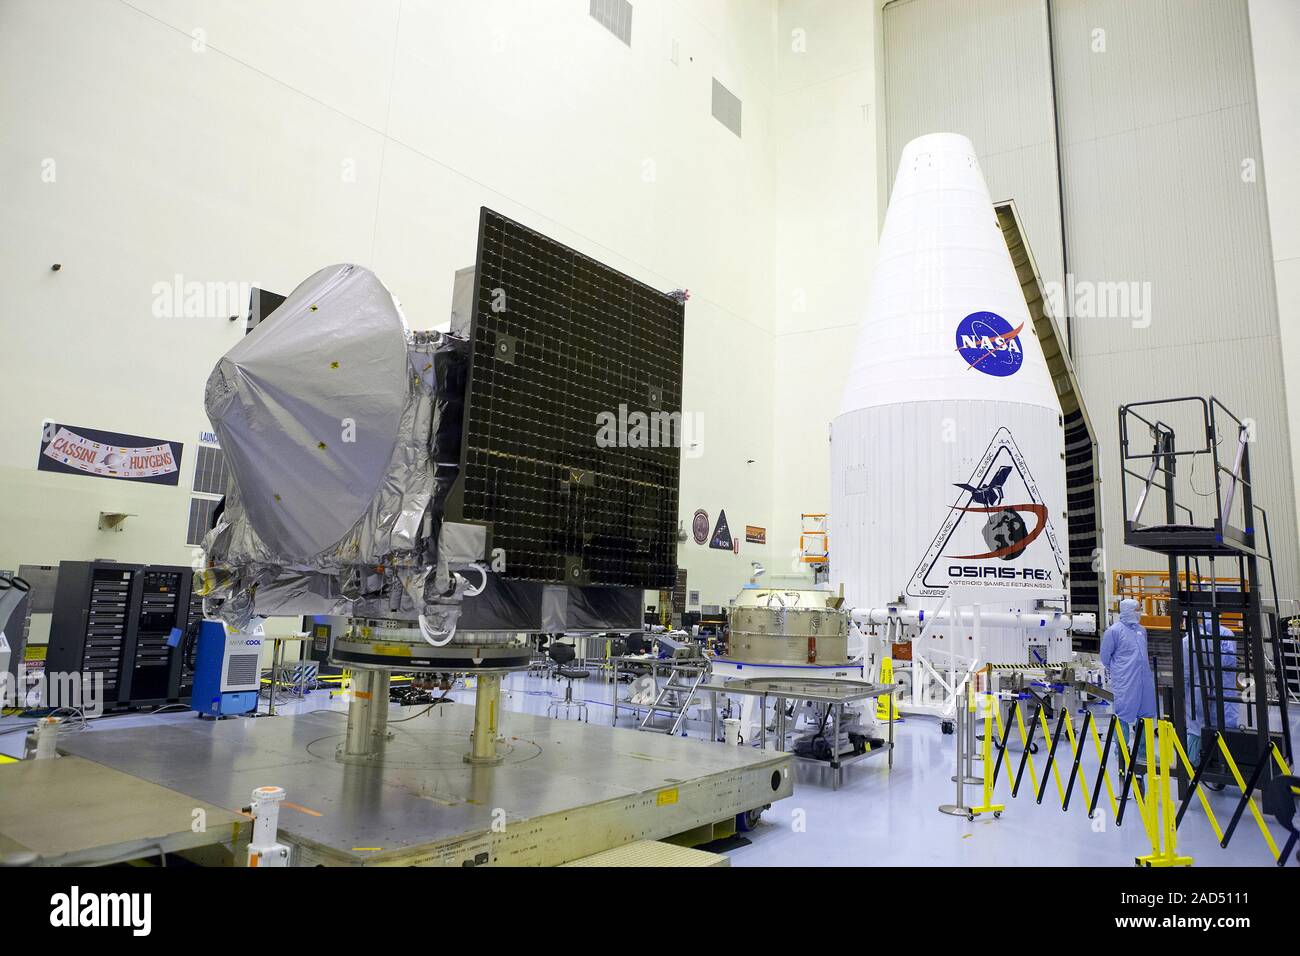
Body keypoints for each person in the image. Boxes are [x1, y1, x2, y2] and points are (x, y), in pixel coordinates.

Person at [1100, 598, 1157, 767]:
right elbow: (1105, 656)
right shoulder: (1114, 631)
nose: (1139, 613)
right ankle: (1122, 751)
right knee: (1123, 714)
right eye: (1137, 609)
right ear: (1127, 611)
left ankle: (1143, 752)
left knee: (1146, 713)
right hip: (1125, 679)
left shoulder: (1142, 630)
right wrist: (1119, 670)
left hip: (1144, 678)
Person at [1183, 611, 1240, 770]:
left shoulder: (1224, 633)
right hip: (1209, 688)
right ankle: (1210, 762)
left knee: (1225, 724)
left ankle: (1226, 762)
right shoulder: (1198, 637)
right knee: (1206, 724)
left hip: (1224, 688)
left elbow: (1227, 660)